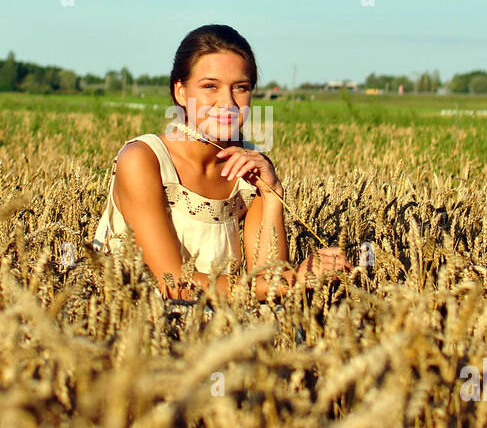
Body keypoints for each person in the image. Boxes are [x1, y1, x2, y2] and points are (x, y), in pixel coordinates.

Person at [91, 23, 353, 300]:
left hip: (222, 327)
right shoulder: (143, 160)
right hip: (139, 326)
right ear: (180, 92)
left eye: (240, 87)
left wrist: (273, 194)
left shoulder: (249, 168)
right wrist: (291, 281)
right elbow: (173, 283)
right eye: (210, 86)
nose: (227, 102)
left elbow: (267, 282)